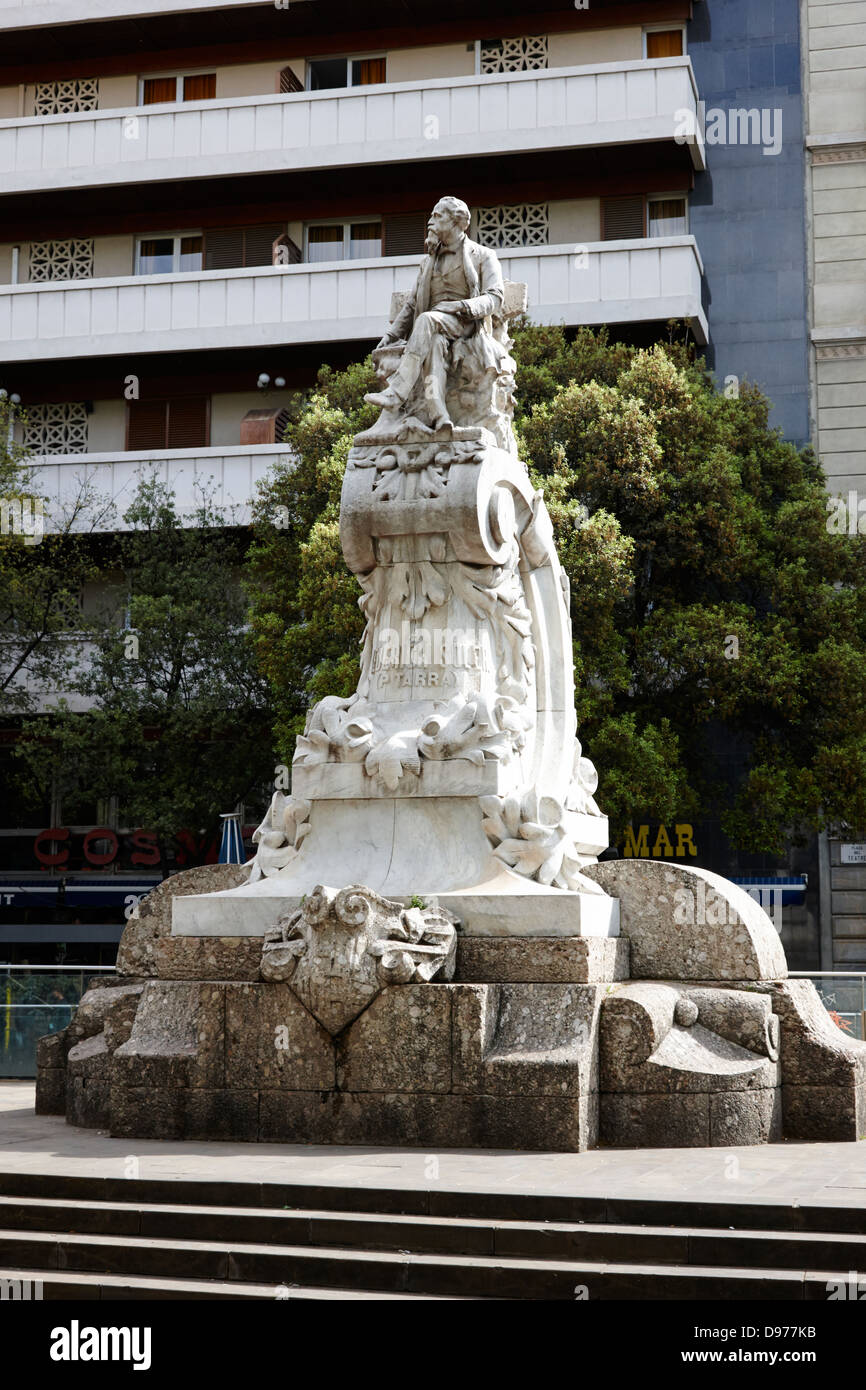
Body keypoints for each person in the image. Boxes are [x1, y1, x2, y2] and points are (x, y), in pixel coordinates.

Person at [364, 195, 507, 430]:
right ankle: (440, 417)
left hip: (466, 324)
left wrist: (460, 307)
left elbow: (495, 298)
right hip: (432, 327)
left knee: (428, 319)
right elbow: (411, 305)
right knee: (433, 343)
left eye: (437, 216)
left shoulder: (483, 255)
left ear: (456, 222)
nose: (430, 220)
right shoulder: (427, 261)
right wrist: (390, 337)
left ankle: (397, 392)